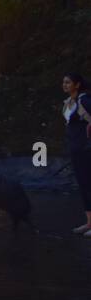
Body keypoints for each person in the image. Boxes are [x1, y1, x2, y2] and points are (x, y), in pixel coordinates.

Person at [63, 73, 91, 235]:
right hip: (76, 149)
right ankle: (89, 222)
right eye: (64, 82)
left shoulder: (84, 100)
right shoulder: (69, 103)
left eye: (68, 82)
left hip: (87, 148)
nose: (65, 85)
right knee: (83, 185)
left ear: (77, 84)